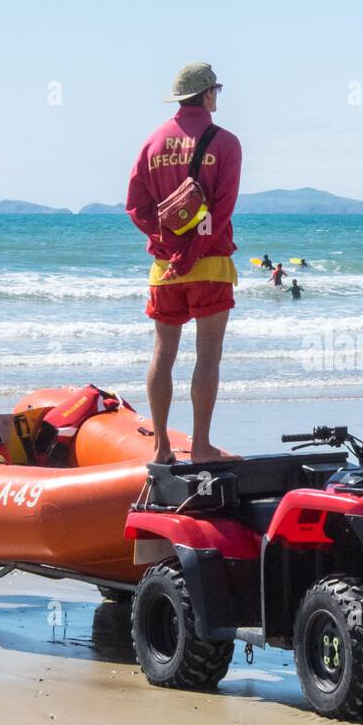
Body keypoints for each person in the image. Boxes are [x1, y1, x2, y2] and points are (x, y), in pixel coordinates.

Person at [125, 61, 241, 464]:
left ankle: (161, 449)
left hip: (164, 268)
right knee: (208, 355)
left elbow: (135, 207)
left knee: (163, 353)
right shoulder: (226, 142)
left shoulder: (153, 142)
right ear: (208, 94)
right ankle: (202, 446)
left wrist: (167, 245)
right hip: (208, 263)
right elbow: (222, 210)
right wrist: (190, 252)